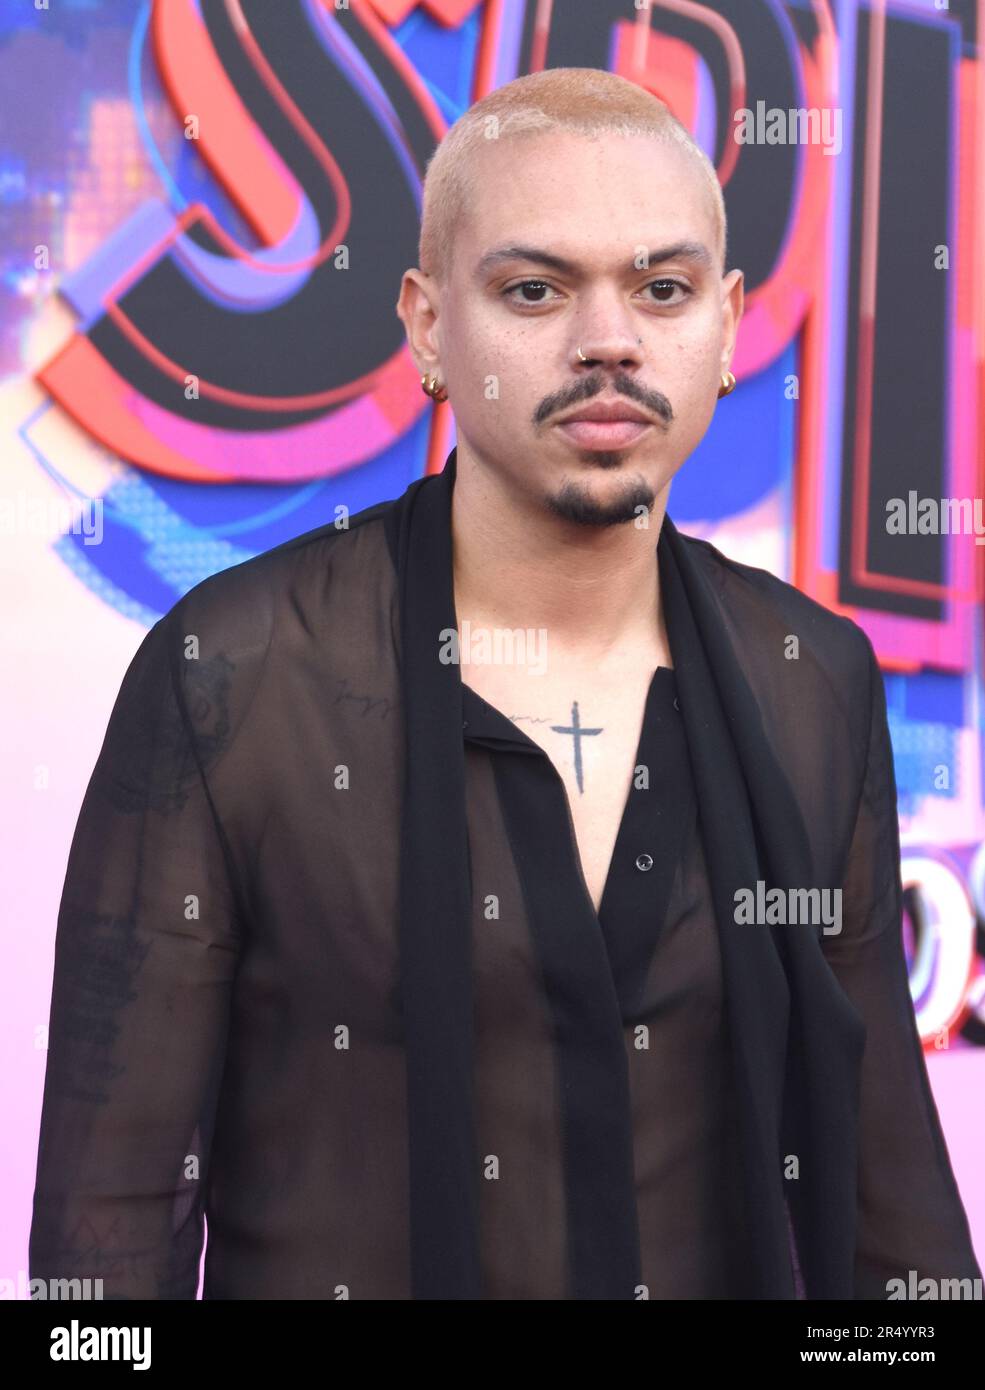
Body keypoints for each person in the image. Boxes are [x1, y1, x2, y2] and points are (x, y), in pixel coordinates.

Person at [29, 68, 981, 1301]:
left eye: (662, 288)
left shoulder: (810, 680)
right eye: (535, 289)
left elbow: (890, 1201)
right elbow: (106, 1240)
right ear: (428, 325)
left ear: (730, 322)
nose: (608, 340)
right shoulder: (237, 674)